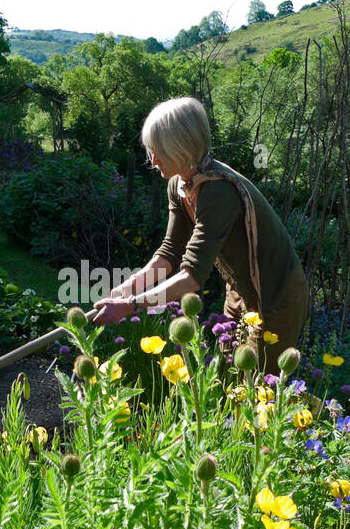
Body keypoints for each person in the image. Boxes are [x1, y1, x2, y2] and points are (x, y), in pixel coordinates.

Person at [90, 96, 308, 372]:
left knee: (259, 385)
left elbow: (192, 277)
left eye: (159, 151)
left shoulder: (217, 191)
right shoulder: (179, 185)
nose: (153, 160)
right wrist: (129, 287)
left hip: (277, 294)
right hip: (240, 289)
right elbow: (171, 251)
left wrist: (130, 305)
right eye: (151, 151)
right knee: (227, 374)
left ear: (182, 146)